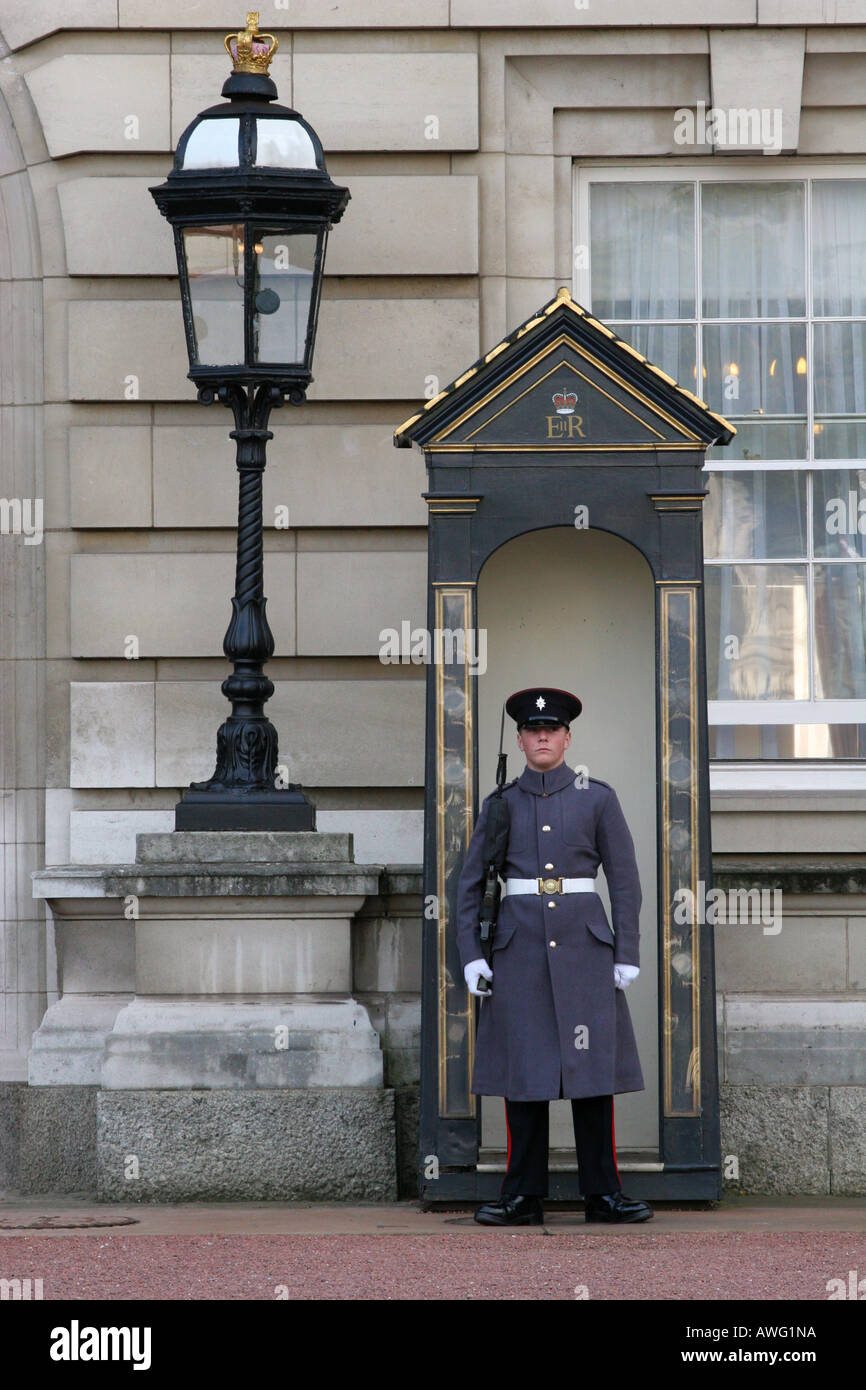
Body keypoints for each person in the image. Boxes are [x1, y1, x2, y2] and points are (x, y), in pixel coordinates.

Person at [456, 686, 653, 1226]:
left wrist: (626, 950)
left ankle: (603, 1194)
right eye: (532, 730)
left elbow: (626, 882)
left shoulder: (598, 799)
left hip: (585, 951)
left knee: (592, 1078)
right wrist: (472, 954)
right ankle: (522, 1195)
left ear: (567, 738)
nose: (542, 737)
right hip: (518, 952)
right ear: (520, 740)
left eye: (552, 730)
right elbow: (470, 887)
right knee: (525, 1077)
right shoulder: (501, 805)